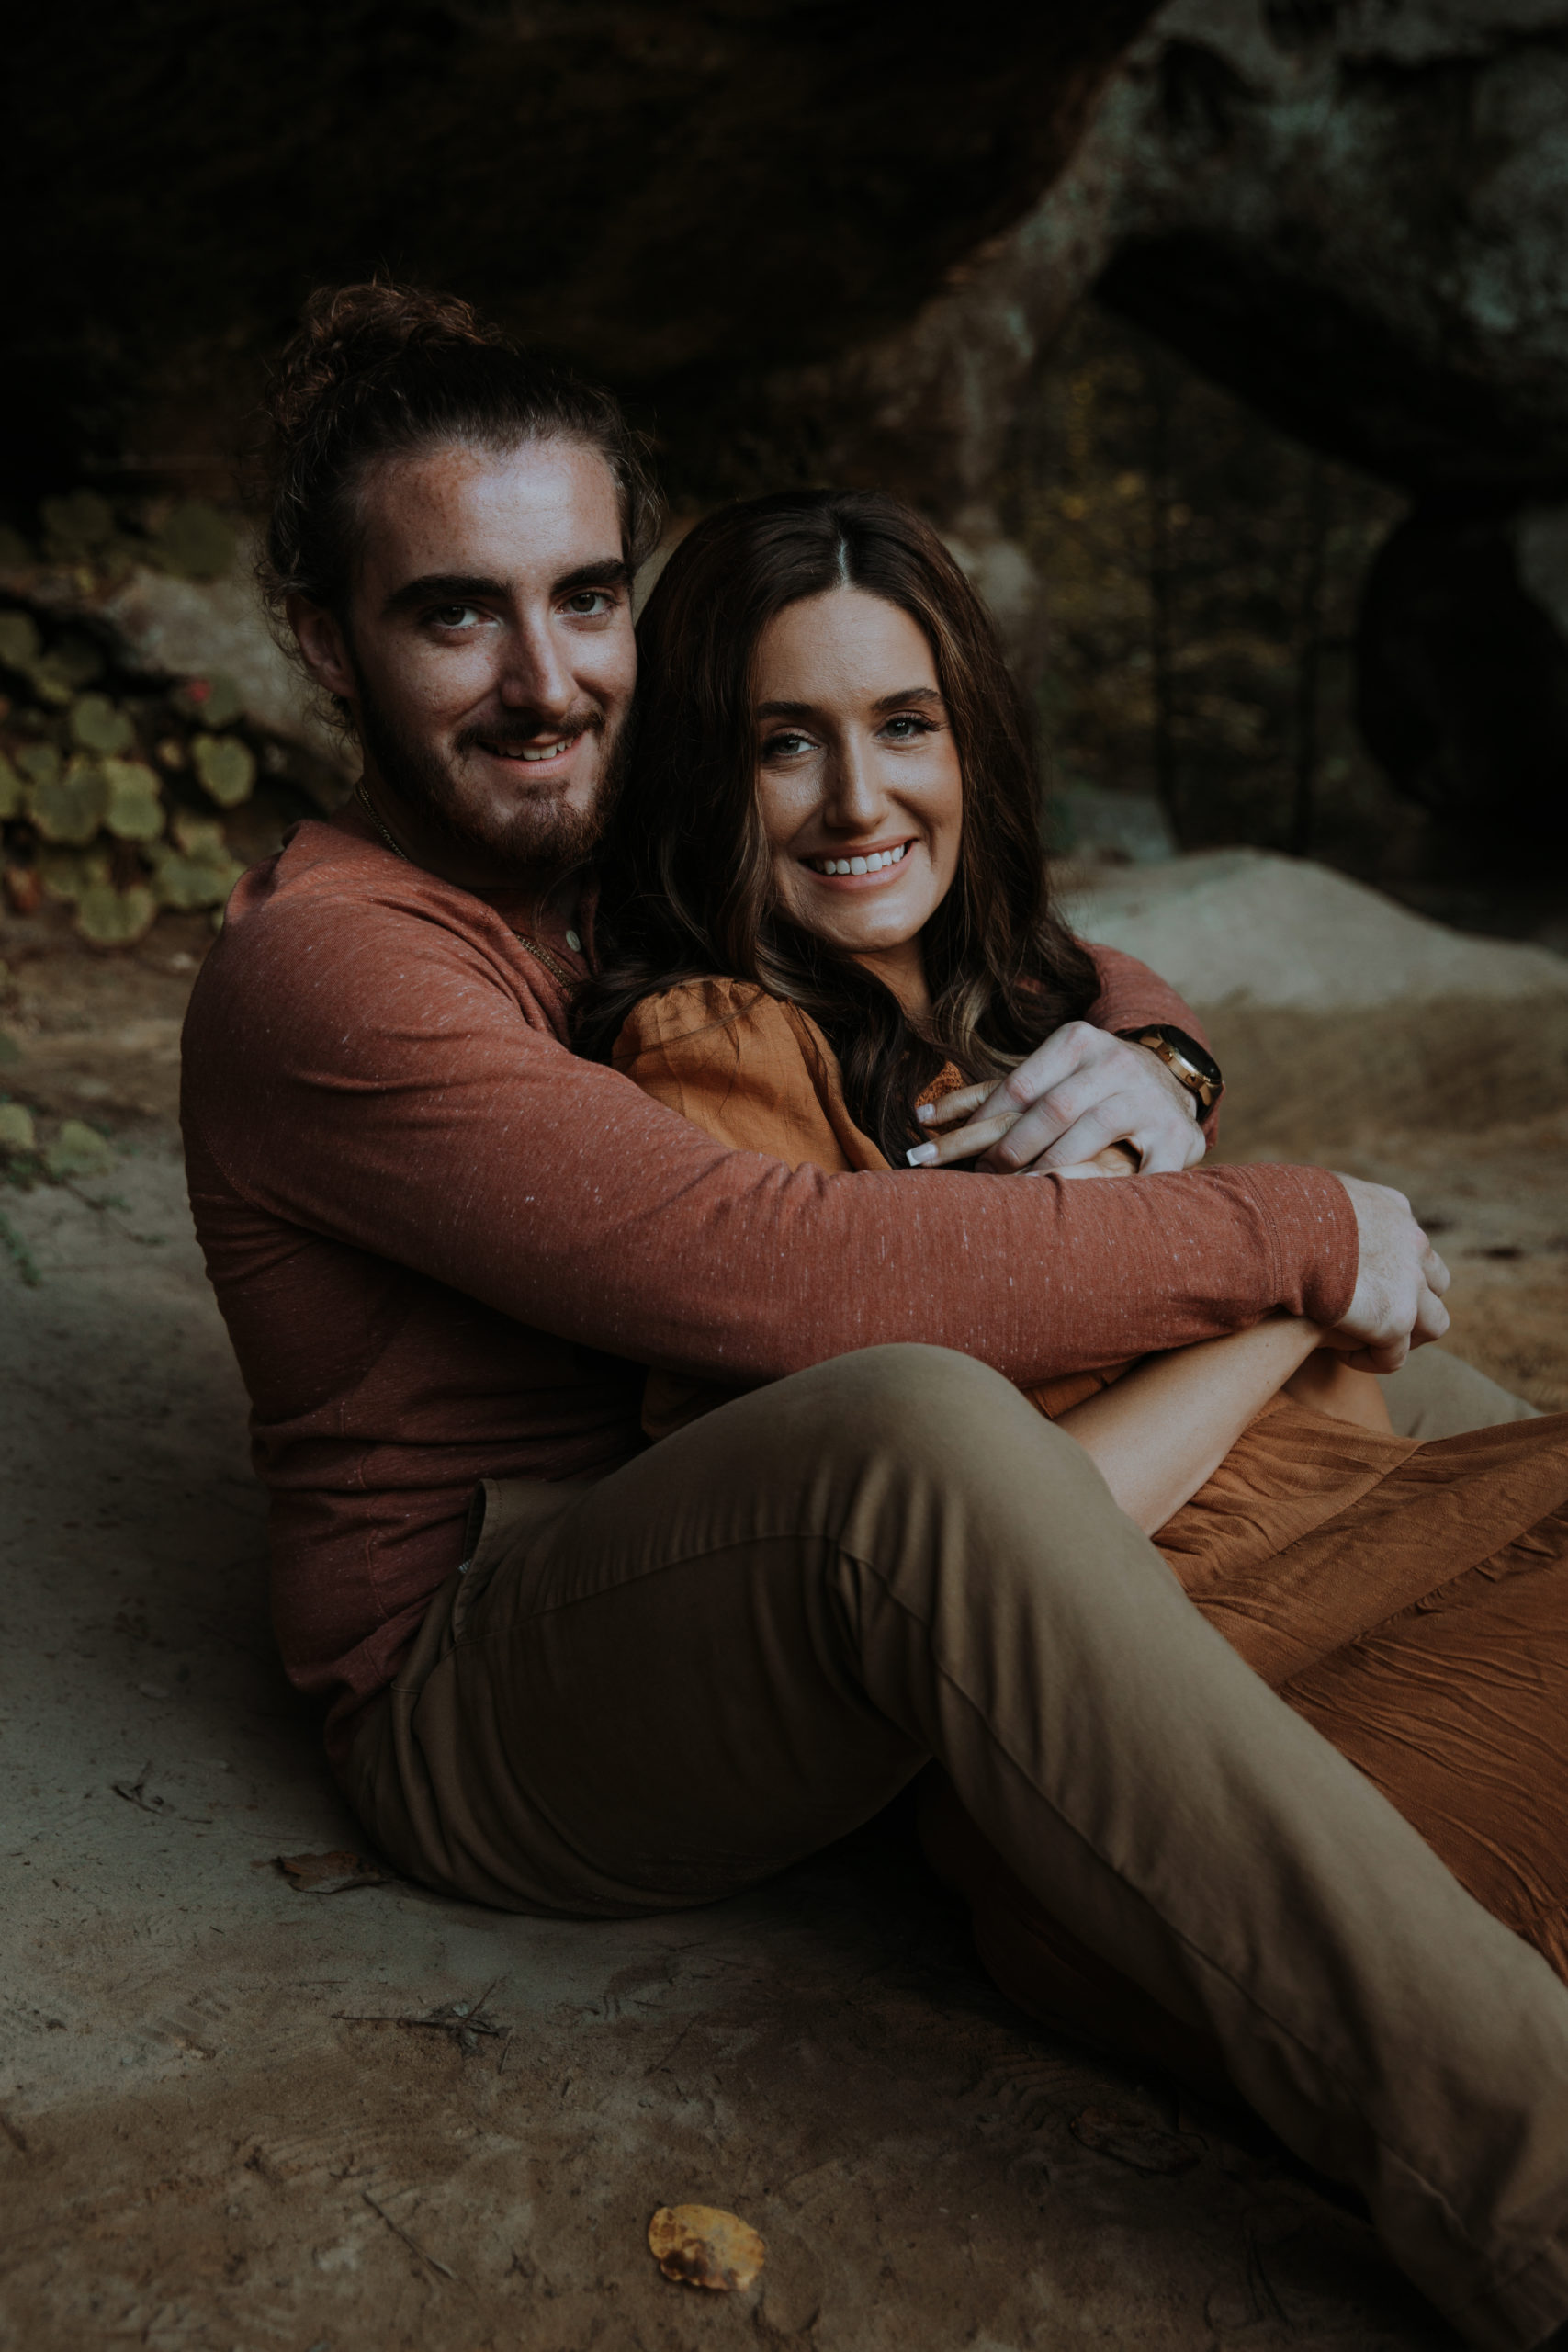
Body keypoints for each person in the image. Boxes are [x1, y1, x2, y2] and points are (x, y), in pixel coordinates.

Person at [179, 279, 1568, 2351]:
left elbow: (1008, 932)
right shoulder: (336, 965)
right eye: (454, 614)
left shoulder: (613, 825)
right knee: (918, 1426)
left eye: (585, 598)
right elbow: (769, 1265)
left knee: (1404, 1398)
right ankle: (1533, 2188)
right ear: (323, 639)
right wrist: (1283, 1233)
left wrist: (1156, 1066)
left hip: (741, 1526)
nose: (544, 678)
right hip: (503, 1659)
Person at [576, 481, 1568, 2086]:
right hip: (1193, 1696)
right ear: (705, 770)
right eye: (784, 743)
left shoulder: (1023, 993)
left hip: (1367, 1541)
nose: (857, 798)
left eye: (905, 724)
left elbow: (1120, 1002)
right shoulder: (720, 1046)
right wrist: (1283, 1281)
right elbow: (968, 1543)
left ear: (970, 738)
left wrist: (1172, 1085)